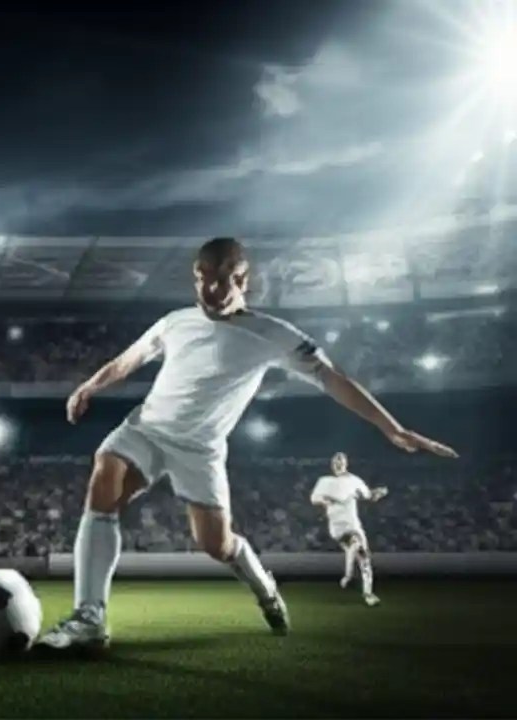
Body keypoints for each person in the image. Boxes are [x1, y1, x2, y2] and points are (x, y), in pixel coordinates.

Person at [38, 237, 457, 652]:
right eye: (201, 278)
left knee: (215, 545)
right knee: (103, 479)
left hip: (199, 450)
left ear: (242, 278)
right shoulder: (175, 321)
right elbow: (130, 358)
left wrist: (392, 428)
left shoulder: (271, 334)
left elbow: (334, 379)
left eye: (222, 279)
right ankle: (89, 617)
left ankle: (263, 585)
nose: (210, 290)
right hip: (146, 429)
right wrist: (90, 385)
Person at [311, 452, 388, 606]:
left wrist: (378, 493)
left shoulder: (355, 480)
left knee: (364, 557)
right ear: (332, 465)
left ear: (346, 463)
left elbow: (368, 496)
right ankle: (349, 575)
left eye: (341, 460)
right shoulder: (325, 481)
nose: (338, 463)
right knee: (355, 545)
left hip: (353, 523)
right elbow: (314, 498)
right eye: (335, 461)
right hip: (337, 524)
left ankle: (367, 593)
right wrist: (325, 500)